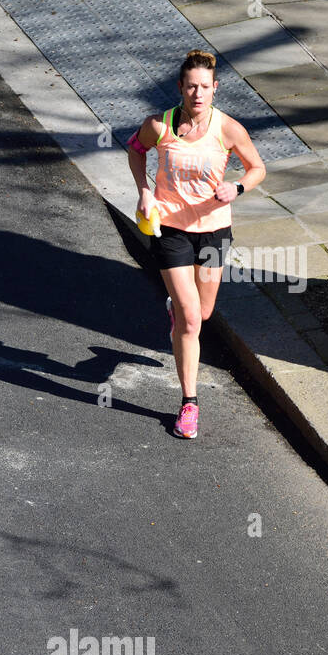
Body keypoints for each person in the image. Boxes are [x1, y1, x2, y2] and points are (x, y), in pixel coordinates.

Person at [127, 50, 266, 439]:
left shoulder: (228, 129)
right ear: (180, 88)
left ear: (215, 88)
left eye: (205, 86)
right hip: (171, 230)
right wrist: (144, 192)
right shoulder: (160, 125)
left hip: (214, 232)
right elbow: (135, 151)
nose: (198, 93)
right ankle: (190, 403)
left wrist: (236, 186)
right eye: (191, 86)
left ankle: (179, 308)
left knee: (203, 313)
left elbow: (258, 168)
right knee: (191, 322)